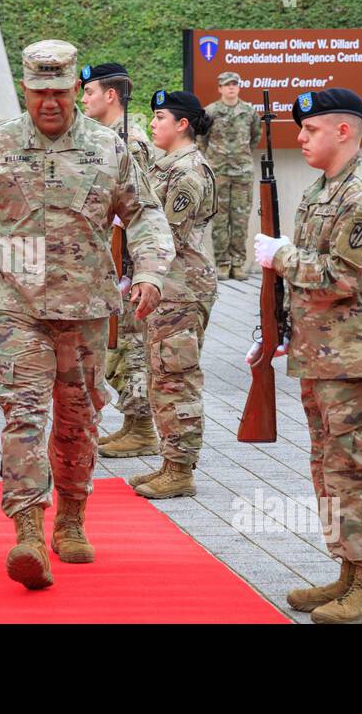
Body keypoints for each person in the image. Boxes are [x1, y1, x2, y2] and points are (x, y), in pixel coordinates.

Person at [0, 40, 173, 589]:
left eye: (61, 93)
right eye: (39, 93)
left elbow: (147, 216)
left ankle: (71, 517)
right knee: (24, 414)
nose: (50, 103)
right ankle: (27, 533)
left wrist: (152, 272)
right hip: (17, 307)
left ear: (73, 91)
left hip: (86, 308)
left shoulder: (109, 149)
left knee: (79, 419)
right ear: (25, 89)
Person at [250, 87, 362, 624]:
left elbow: (341, 276)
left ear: (344, 131)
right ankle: (348, 573)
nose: (300, 137)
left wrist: (282, 254)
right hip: (323, 358)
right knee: (331, 472)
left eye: (311, 129)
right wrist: (275, 327)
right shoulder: (320, 191)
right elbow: (305, 285)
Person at [122, 90, 217, 494]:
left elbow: (166, 236)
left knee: (177, 378)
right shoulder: (165, 167)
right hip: (167, 288)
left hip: (181, 288)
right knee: (162, 376)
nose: (154, 123)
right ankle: (169, 461)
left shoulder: (188, 173)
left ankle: (181, 471)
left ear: (182, 124)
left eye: (160, 116)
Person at [78, 62, 159, 456]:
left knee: (131, 344)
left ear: (111, 95)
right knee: (117, 345)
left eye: (89, 91)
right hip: (108, 260)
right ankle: (132, 421)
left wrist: (132, 267)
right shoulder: (104, 138)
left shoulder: (132, 142)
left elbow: (137, 210)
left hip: (124, 262)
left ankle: (142, 427)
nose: (83, 98)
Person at [204, 71, 260, 280]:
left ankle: (237, 264)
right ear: (219, 88)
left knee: (240, 221)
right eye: (226, 85)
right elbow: (202, 139)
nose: (231, 88)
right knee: (219, 220)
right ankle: (221, 264)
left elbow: (255, 137)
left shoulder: (249, 112)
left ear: (239, 87)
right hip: (218, 172)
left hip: (242, 173)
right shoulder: (210, 112)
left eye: (234, 84)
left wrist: (240, 156)